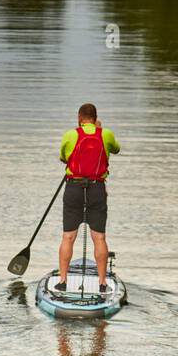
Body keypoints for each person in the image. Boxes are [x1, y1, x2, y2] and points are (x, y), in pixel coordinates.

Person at [57, 102, 121, 293]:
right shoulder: (106, 134)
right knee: (99, 237)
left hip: (73, 188)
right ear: (95, 117)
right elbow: (116, 149)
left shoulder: (70, 135)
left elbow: (63, 158)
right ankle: (102, 283)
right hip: (97, 189)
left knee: (68, 237)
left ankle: (62, 281)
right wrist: (100, 130)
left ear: (79, 118)